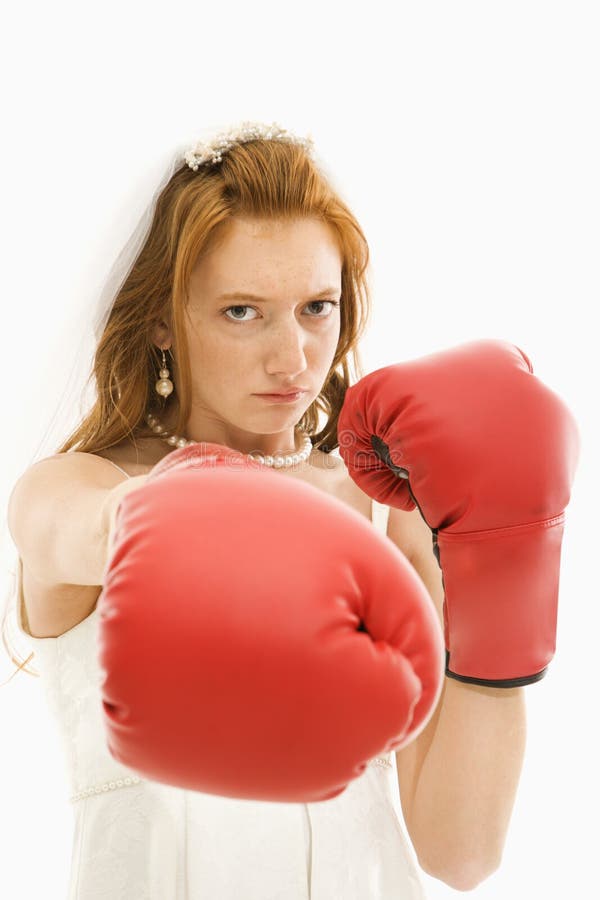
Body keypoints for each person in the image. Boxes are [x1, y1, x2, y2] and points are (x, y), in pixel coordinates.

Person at [2, 120, 548, 897]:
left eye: (316, 307)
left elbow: (461, 853)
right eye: (242, 311)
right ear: (161, 320)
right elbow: (85, 529)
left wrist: (503, 571)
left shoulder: (387, 512)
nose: (292, 358)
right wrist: (172, 516)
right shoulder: (73, 487)